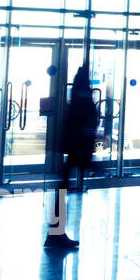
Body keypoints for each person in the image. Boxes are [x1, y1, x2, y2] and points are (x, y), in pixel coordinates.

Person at [44, 66, 97, 251]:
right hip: (78, 148)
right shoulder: (83, 99)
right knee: (63, 190)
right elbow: (86, 123)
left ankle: (56, 233)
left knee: (63, 189)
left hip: (75, 148)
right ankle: (56, 234)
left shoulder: (76, 97)